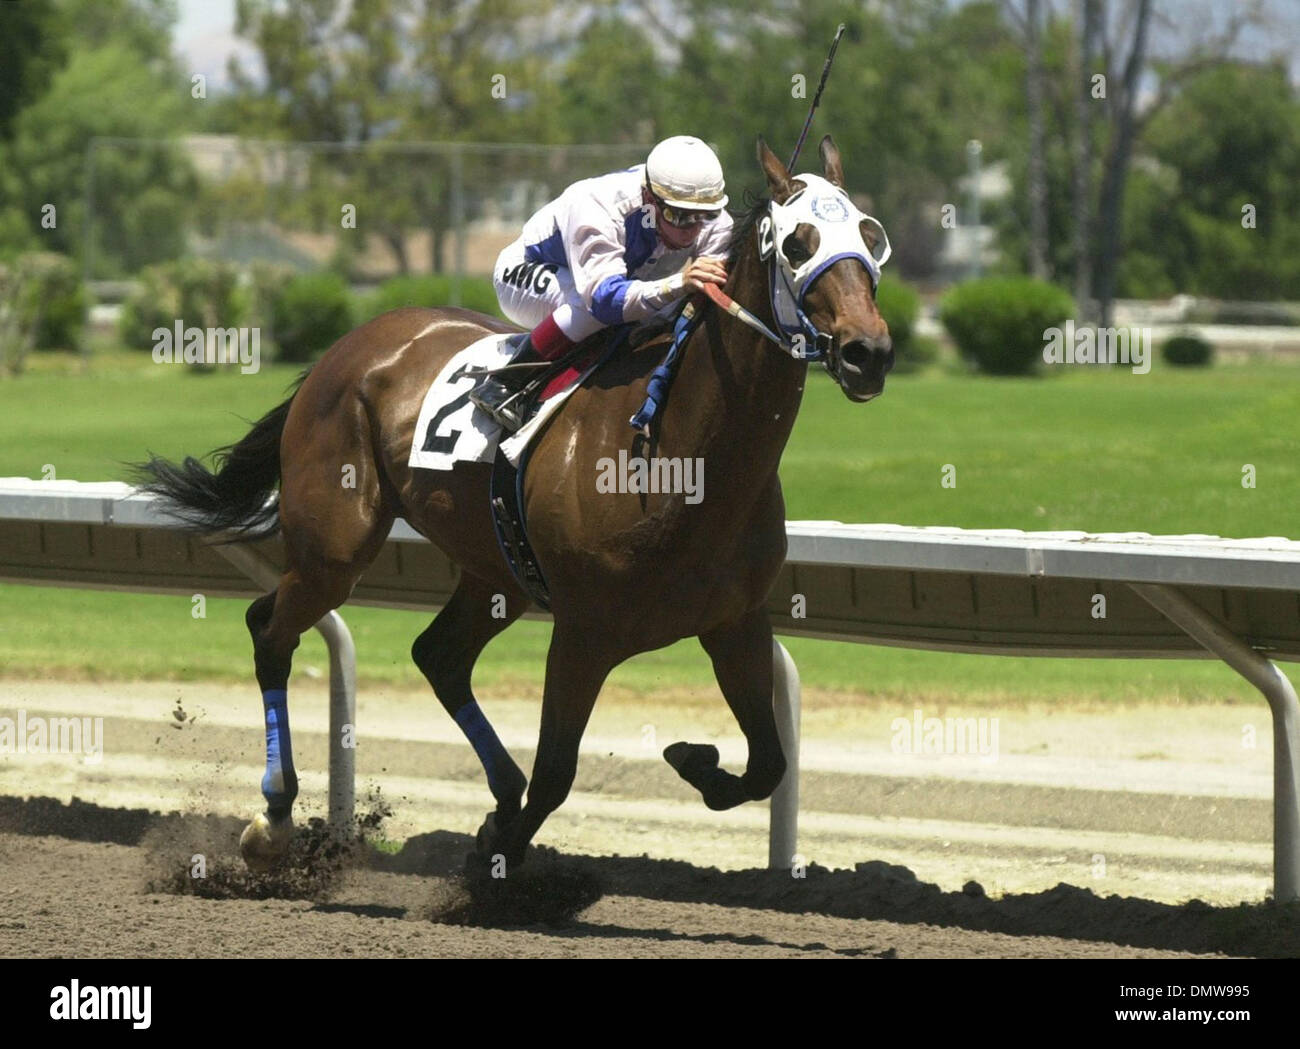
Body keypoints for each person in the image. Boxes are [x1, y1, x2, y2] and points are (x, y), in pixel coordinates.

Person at [471, 135, 733, 430]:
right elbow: (605, 301)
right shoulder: (598, 205)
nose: (693, 230)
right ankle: (504, 385)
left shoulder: (713, 220)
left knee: (668, 309)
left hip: (613, 281)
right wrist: (679, 282)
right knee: (590, 311)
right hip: (527, 271)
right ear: (649, 199)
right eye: (679, 216)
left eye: (705, 216)